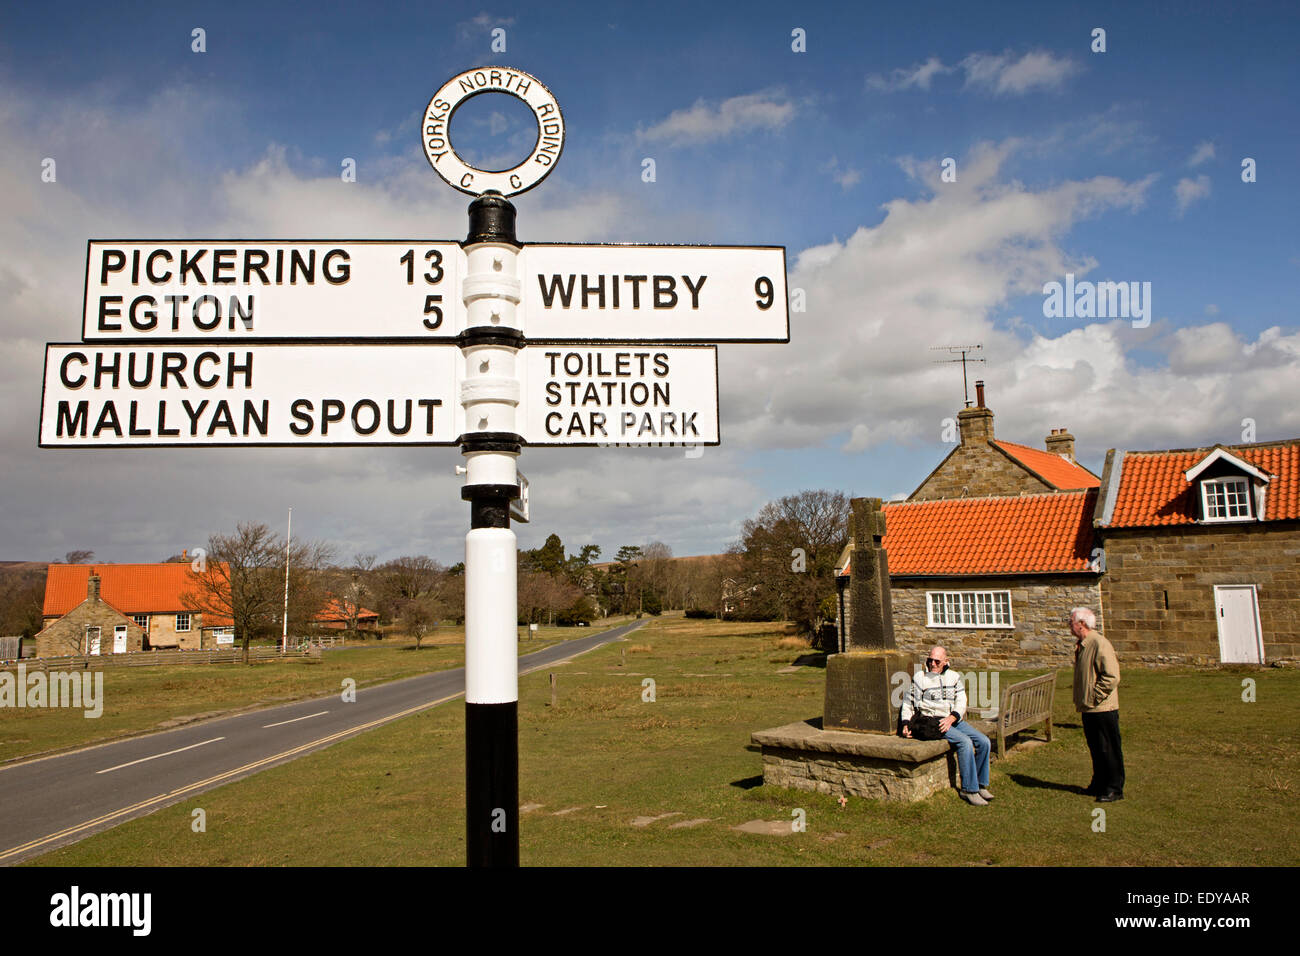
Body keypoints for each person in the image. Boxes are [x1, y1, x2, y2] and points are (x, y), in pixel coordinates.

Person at [900, 645, 994, 806]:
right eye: (930, 660)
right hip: (933, 722)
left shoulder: (954, 677)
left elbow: (961, 700)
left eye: (937, 661)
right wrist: (905, 723)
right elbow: (909, 702)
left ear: (945, 661)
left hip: (953, 719)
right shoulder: (920, 678)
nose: (933, 664)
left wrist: (953, 717)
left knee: (984, 742)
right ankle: (968, 790)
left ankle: (980, 784)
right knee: (965, 743)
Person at [1070, 607, 1124, 802]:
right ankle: (1099, 783)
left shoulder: (1099, 643)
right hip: (1089, 708)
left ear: (1082, 624)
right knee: (1096, 747)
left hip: (1102, 708)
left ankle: (1114, 788)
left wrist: (1094, 696)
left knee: (1108, 747)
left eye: (1071, 622)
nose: (1069, 625)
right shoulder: (1083, 644)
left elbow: (1111, 676)